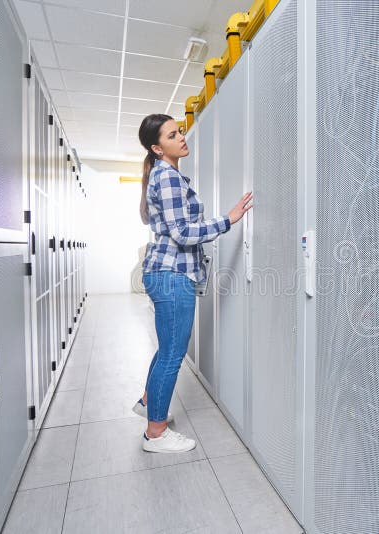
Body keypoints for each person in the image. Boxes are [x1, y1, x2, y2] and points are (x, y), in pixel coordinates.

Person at [134, 114, 252, 453]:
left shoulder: (164, 174)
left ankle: (148, 402)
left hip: (167, 273)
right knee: (173, 353)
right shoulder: (167, 177)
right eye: (173, 135)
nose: (181, 137)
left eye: (180, 131)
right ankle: (154, 433)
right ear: (158, 148)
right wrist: (228, 220)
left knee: (167, 348)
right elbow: (182, 232)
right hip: (172, 275)